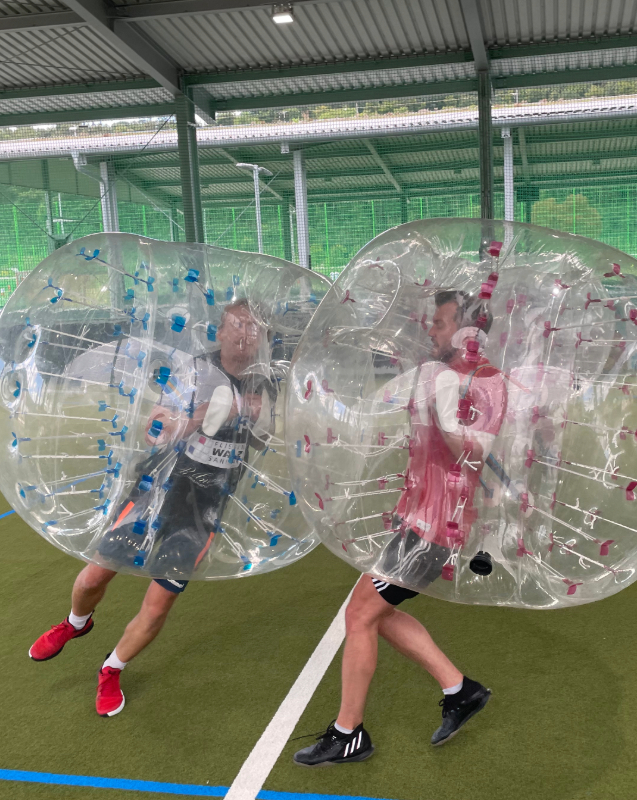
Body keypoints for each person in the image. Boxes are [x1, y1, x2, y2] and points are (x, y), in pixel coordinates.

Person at [27, 299, 274, 716]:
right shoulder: (195, 371)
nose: (244, 335)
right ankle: (75, 623)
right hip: (155, 492)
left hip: (205, 508)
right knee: (92, 578)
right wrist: (198, 417)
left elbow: (264, 440)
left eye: (253, 329)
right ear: (219, 331)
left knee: (158, 604)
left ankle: (111, 669)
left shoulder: (263, 384)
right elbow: (157, 428)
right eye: (237, 325)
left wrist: (250, 415)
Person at [293, 290, 505, 767]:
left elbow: (474, 453)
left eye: (442, 323)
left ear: (470, 334)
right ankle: (459, 690)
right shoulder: (440, 375)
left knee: (361, 615)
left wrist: (445, 409)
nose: (431, 330)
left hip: (434, 529)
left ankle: (349, 733)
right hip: (417, 519)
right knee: (374, 615)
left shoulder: (487, 385)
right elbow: (374, 407)